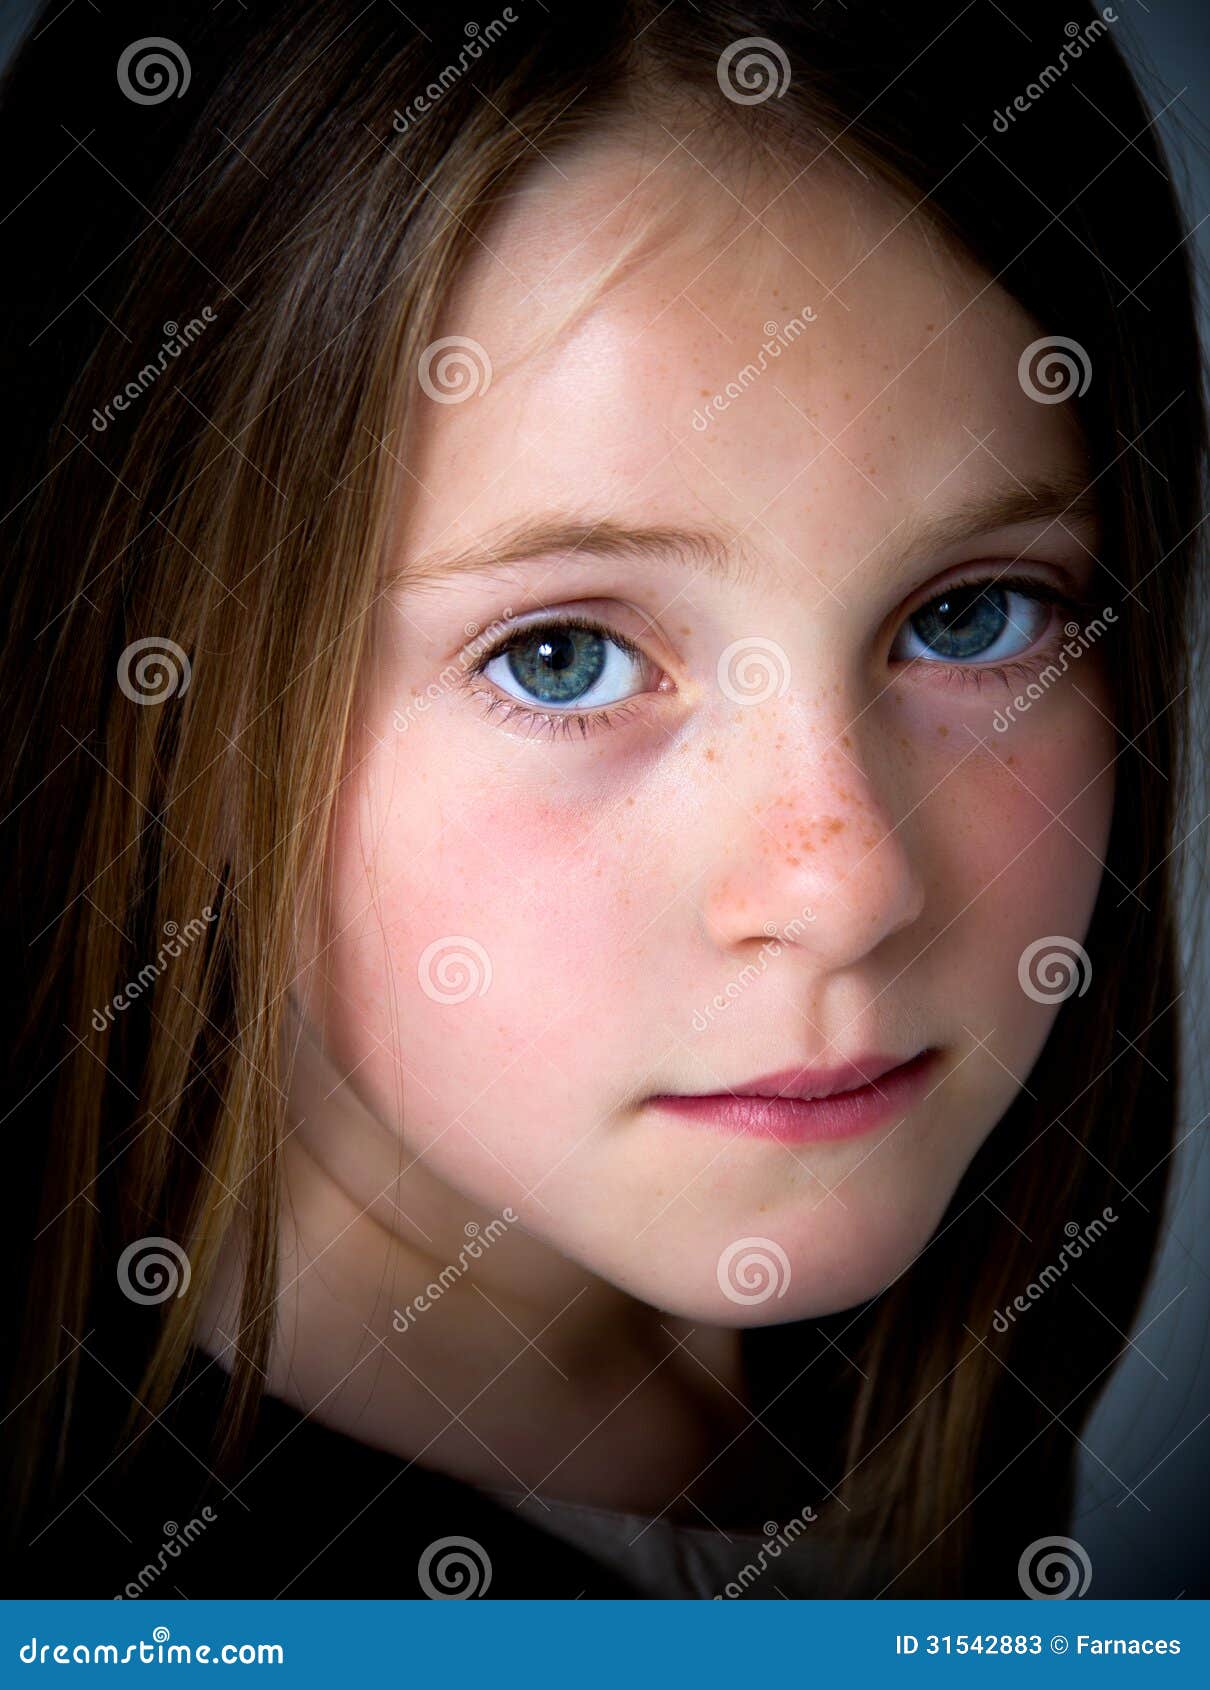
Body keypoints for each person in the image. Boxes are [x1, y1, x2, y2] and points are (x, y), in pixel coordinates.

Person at [0, 0, 1204, 1599]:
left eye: (971, 616)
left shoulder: (872, 1399)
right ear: (154, 683)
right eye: (561, 655)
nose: (844, 886)